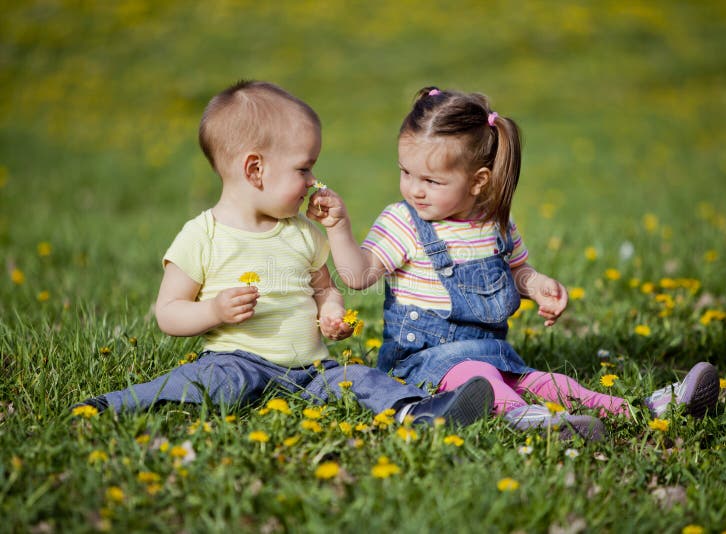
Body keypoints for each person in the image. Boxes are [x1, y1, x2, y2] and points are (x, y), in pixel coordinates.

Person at [71, 81, 495, 427]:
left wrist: (330, 312)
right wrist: (214, 311)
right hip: (236, 359)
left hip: (311, 369)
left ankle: (420, 411)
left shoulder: (304, 235)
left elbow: (324, 288)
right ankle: (111, 406)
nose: (314, 180)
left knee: (359, 379)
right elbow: (168, 312)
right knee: (204, 382)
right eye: (303, 169)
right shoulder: (202, 235)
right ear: (255, 170)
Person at [307, 86, 720, 441]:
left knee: (548, 381)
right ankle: (528, 420)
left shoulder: (494, 223)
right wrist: (339, 227)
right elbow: (359, 277)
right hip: (422, 365)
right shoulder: (403, 222)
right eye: (405, 172)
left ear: (478, 181)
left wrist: (536, 284)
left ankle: (640, 408)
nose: (414, 189)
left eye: (431, 181)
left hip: (492, 352)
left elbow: (516, 271)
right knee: (480, 379)